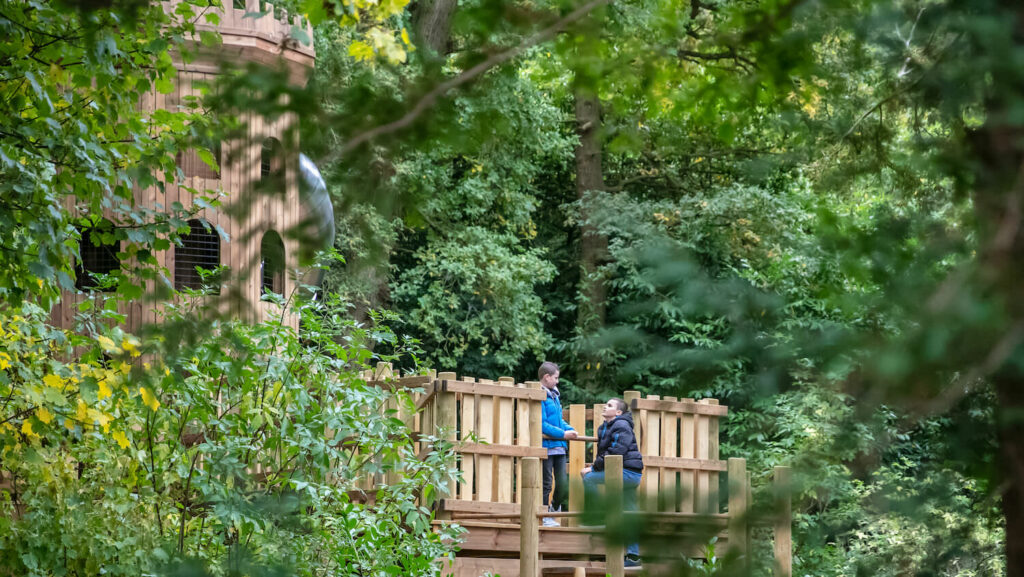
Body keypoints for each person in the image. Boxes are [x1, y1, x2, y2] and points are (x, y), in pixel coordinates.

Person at [581, 398, 644, 568]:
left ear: (618, 413)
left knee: (588, 478)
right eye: (605, 404)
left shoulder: (621, 425)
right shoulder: (604, 427)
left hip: (628, 473)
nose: (604, 406)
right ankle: (634, 556)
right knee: (630, 513)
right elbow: (604, 452)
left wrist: (593, 469)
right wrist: (596, 466)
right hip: (620, 471)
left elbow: (617, 451)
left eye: (609, 405)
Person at [539, 361, 577, 527]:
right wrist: (563, 434)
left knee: (562, 483)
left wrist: (570, 429)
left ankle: (553, 511)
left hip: (559, 447)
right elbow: (542, 424)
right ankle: (544, 515)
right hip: (547, 446)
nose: (557, 381)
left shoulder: (555, 395)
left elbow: (559, 420)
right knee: (546, 483)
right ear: (546, 377)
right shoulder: (540, 396)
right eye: (556, 377)